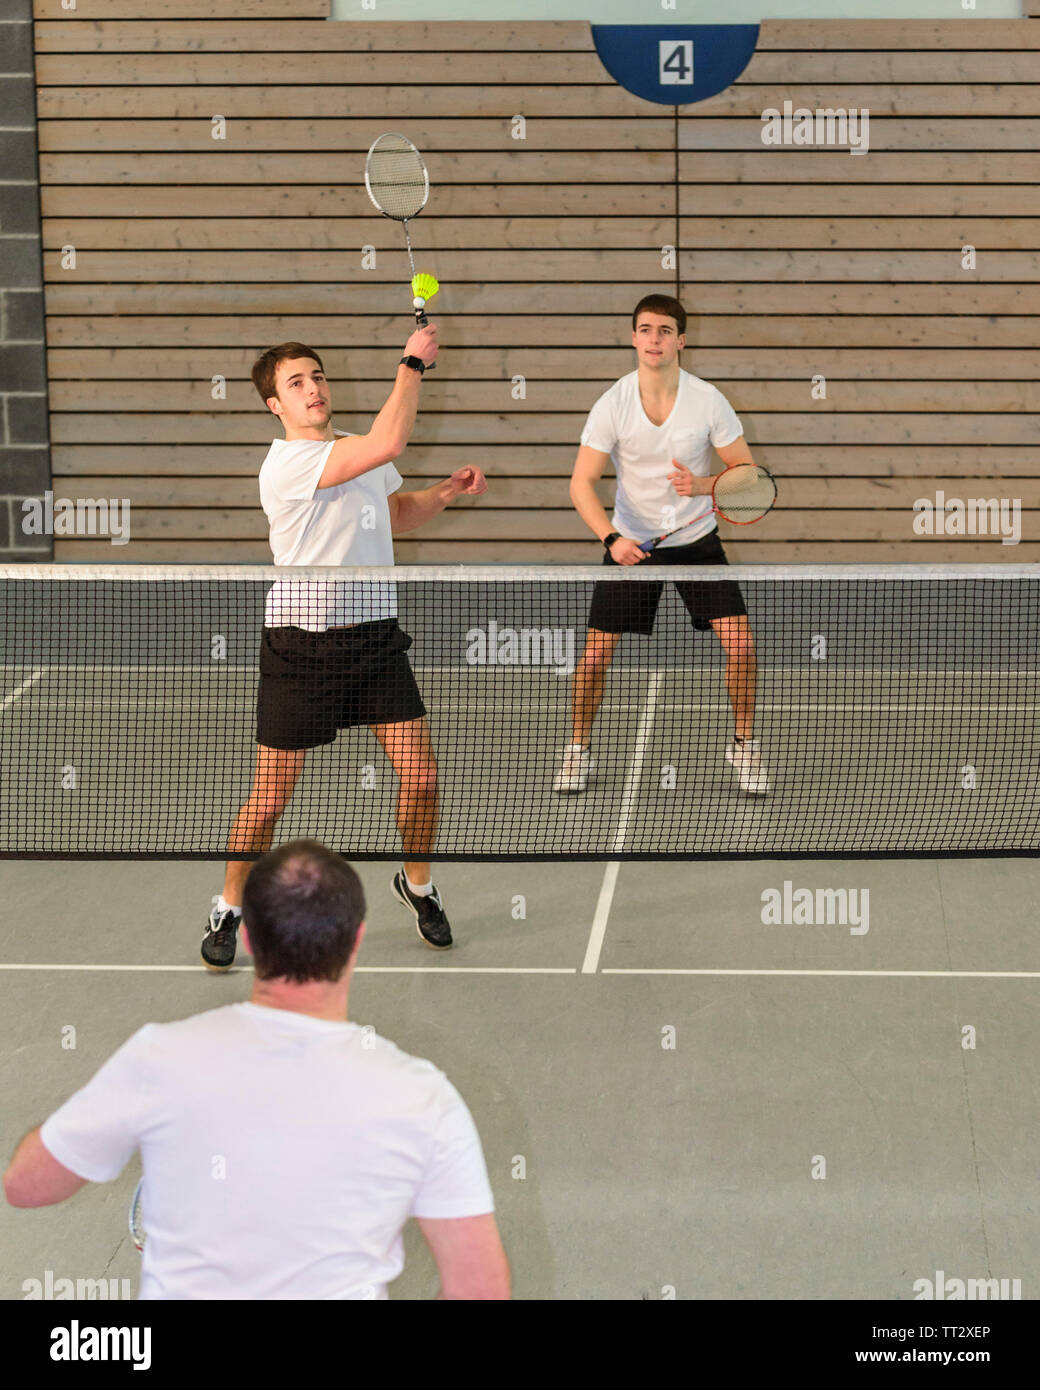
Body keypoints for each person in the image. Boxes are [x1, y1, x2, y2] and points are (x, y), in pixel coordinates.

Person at [3, 840, 510, 1301]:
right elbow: (479, 1288)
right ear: (356, 942)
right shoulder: (423, 1096)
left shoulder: (158, 1057)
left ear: (249, 940)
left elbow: (25, 1186)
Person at [203, 331, 487, 968]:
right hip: (300, 650)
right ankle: (229, 905)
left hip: (374, 640)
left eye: (318, 376)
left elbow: (393, 514)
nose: (313, 388)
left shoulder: (353, 448)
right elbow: (391, 440)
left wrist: (442, 492)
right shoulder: (287, 464)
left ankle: (418, 885)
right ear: (274, 405)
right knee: (270, 798)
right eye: (296, 383)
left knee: (423, 777)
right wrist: (412, 363)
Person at [556, 293, 770, 796]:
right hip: (633, 543)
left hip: (696, 540)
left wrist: (703, 486)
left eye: (665, 330)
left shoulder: (708, 399)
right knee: (593, 660)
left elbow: (750, 476)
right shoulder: (614, 402)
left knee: (741, 646)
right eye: (646, 329)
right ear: (633, 337)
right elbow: (580, 483)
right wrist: (611, 539)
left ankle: (743, 746)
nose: (655, 339)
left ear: (681, 340)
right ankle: (577, 750)